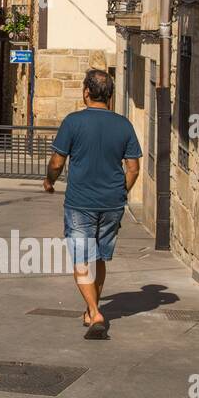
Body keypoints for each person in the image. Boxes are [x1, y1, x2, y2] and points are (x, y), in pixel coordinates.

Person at [43, 68, 141, 340]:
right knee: (98, 257)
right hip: (112, 203)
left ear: (86, 92)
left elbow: (57, 162)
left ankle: (96, 312)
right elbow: (133, 168)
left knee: (81, 258)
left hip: (80, 203)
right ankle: (90, 310)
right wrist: (121, 191)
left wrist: (49, 181)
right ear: (109, 95)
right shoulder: (124, 125)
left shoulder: (73, 122)